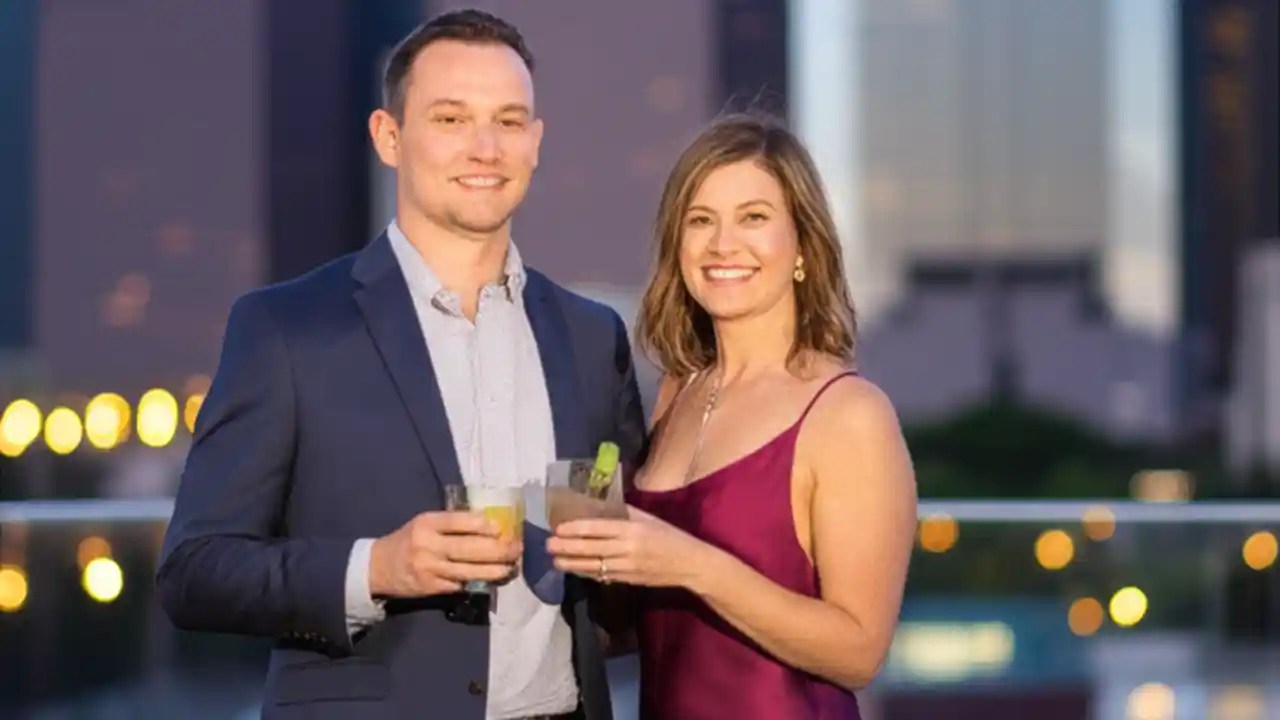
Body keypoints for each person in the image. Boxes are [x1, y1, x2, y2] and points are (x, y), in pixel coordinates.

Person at [156, 9, 645, 720]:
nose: (485, 147)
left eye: (509, 122)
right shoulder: (286, 328)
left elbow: (610, 543)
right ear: (390, 138)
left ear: (535, 143)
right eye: (450, 119)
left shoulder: (591, 335)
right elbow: (194, 574)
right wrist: (377, 568)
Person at [547, 115, 917, 719]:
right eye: (701, 220)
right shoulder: (675, 393)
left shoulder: (850, 414)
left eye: (753, 217)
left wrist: (690, 563)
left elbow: (859, 652)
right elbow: (642, 626)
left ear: (802, 244)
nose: (723, 244)